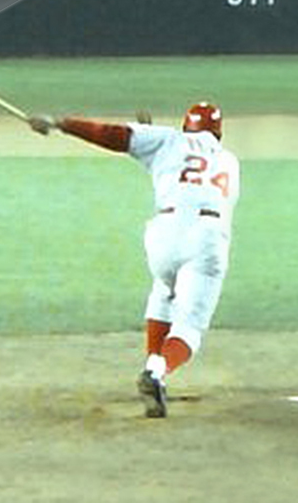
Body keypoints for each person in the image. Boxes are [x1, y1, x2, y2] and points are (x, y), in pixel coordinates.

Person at [27, 101, 240, 419]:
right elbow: (192, 180)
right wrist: (150, 144)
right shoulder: (228, 161)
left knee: (164, 288)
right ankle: (156, 372)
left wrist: (61, 123)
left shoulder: (167, 139)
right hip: (207, 236)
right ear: (218, 133)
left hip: (163, 234)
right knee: (190, 327)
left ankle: (152, 369)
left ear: (186, 125)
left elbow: (112, 134)